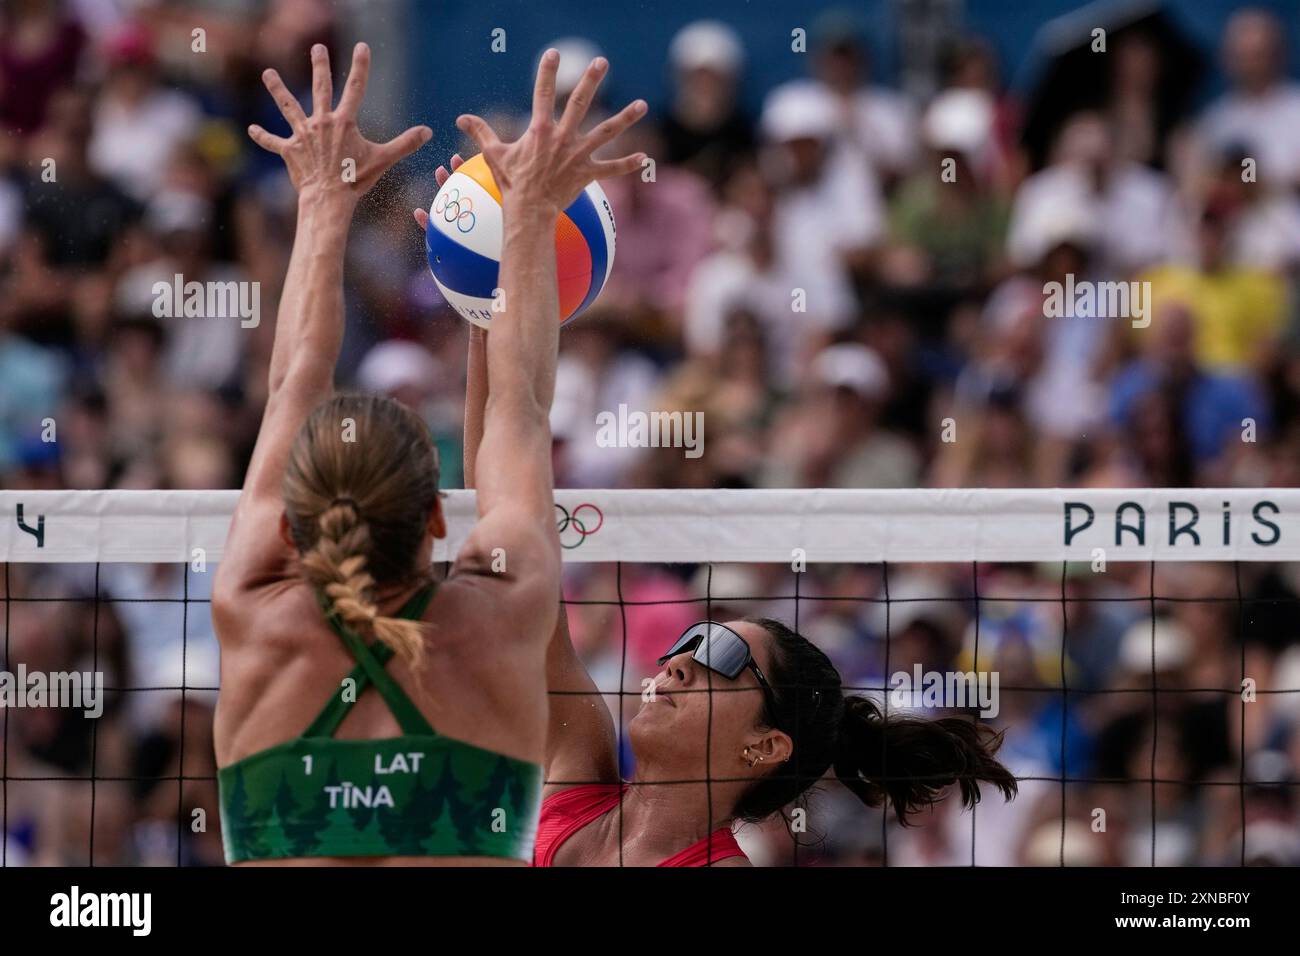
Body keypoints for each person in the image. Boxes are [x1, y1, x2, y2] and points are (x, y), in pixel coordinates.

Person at [212, 43, 646, 865]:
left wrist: (320, 201)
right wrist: (520, 222)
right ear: (441, 518)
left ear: (292, 531)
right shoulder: (502, 619)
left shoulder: (251, 611)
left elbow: (293, 383)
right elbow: (517, 412)